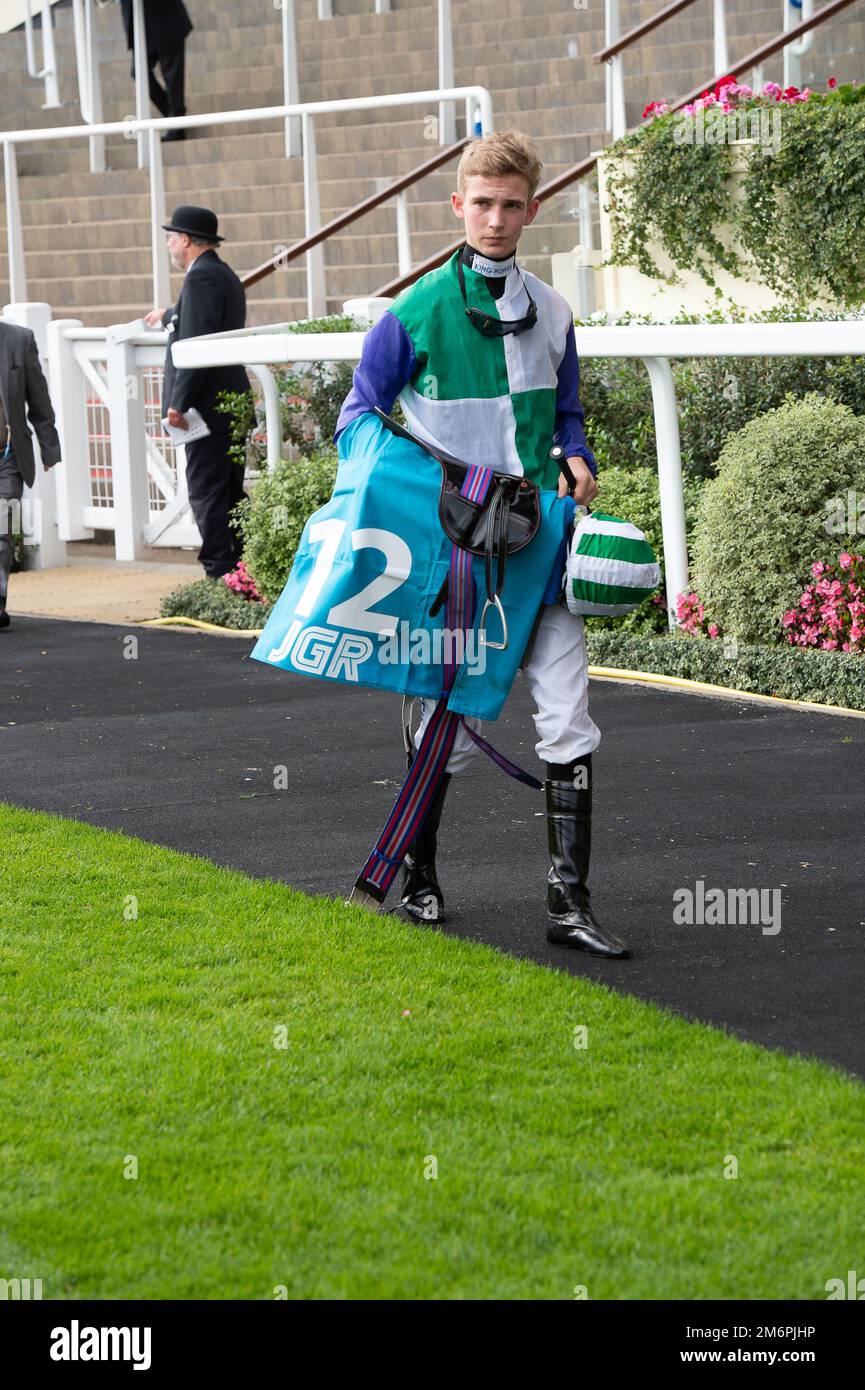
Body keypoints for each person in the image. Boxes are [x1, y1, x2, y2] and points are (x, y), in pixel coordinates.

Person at [333, 131, 629, 959]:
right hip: (456, 557)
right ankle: (421, 878)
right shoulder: (413, 311)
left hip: (540, 545)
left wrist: (580, 456)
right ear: (456, 204)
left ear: (533, 209)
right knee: (446, 740)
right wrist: (417, 497)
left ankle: (569, 907)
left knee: (569, 721)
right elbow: (358, 419)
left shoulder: (557, 309)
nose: (496, 219)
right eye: (482, 203)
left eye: (511, 205)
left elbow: (565, 414)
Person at [145, 205, 250, 580]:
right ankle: (240, 571)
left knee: (208, 493)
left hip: (207, 410)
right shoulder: (220, 274)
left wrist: (178, 402)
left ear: (186, 241)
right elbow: (200, 317)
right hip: (228, 406)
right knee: (229, 491)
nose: (170, 245)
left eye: (172, 238)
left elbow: (196, 344)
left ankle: (220, 572)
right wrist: (170, 313)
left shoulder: (201, 279)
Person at [0, 322, 61, 632]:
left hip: (8, 456)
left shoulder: (19, 339)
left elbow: (38, 399)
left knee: (1, 531)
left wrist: (49, 447)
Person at [120, 0, 193, 141]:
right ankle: (174, 118)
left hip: (166, 18)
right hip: (140, 24)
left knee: (172, 75)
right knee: (139, 73)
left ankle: (176, 123)